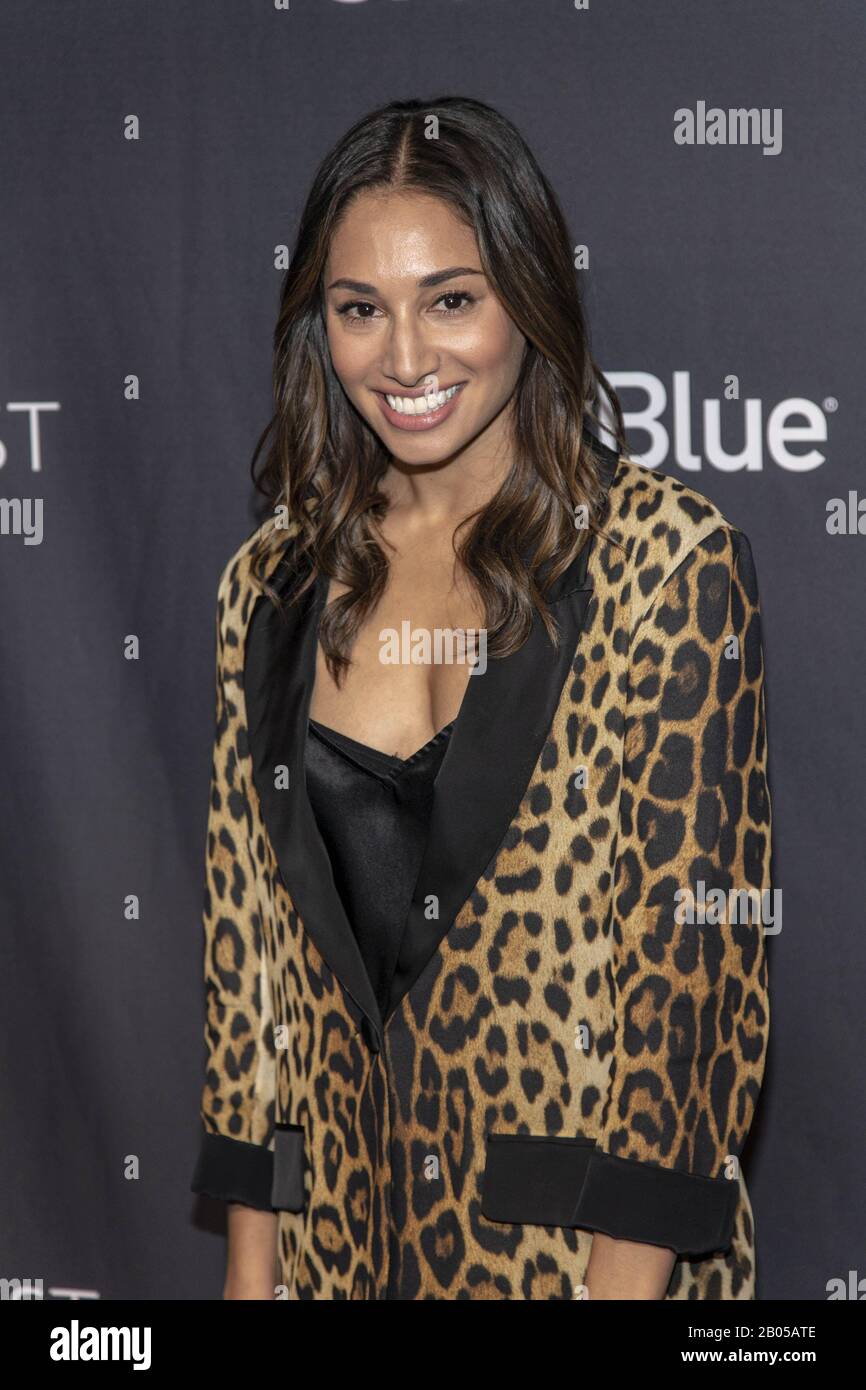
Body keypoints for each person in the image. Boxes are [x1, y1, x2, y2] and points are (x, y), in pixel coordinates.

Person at [190, 96, 772, 1301]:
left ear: (528, 300)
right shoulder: (271, 585)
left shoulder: (661, 562)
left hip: (576, 1274)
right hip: (340, 1265)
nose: (403, 359)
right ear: (320, 328)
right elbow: (250, 994)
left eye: (450, 299)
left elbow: (683, 1008)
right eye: (360, 311)